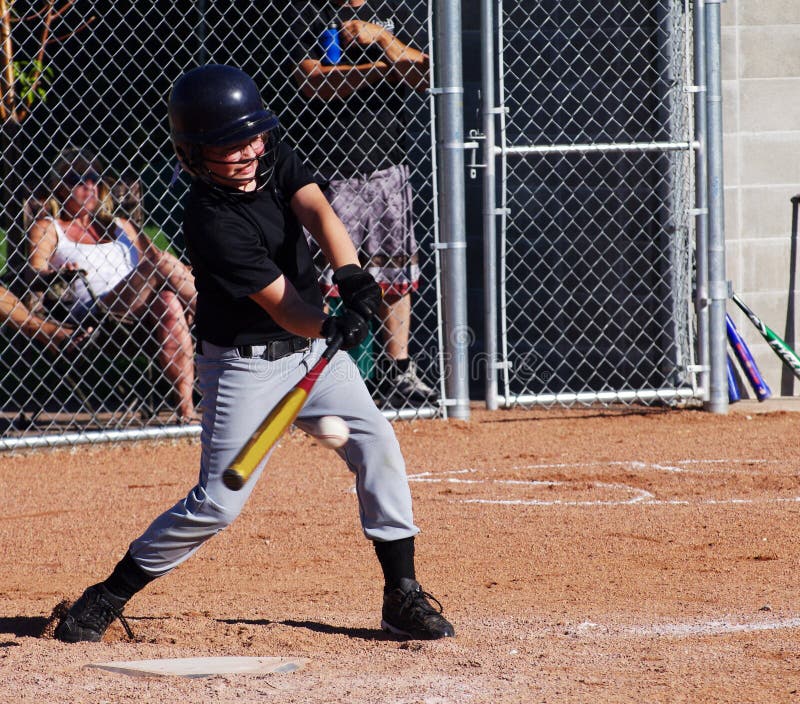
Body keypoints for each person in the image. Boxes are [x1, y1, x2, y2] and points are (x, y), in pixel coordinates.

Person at [53, 65, 453, 643]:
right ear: (194, 154)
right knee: (219, 503)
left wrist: (351, 275)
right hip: (245, 365)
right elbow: (285, 308)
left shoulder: (268, 158)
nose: (248, 151)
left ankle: (402, 596)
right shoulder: (209, 219)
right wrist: (333, 322)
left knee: (377, 446)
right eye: (230, 145)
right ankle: (109, 593)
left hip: (316, 355)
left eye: (254, 137)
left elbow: (318, 209)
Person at [285, 0, 438, 408]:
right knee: (327, 275)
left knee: (395, 270)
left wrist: (383, 38)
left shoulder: (394, 10)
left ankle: (398, 372)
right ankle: (322, 371)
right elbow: (313, 82)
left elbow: (424, 73)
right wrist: (385, 70)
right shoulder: (307, 11)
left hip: (388, 165)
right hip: (329, 168)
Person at [26, 150, 199, 422]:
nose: (88, 185)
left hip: (141, 310)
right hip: (98, 312)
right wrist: (54, 274)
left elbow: (157, 262)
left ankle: (186, 412)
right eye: (77, 179)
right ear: (59, 186)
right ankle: (219, 315)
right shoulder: (50, 227)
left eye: (93, 177)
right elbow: (33, 273)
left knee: (169, 301)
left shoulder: (121, 225)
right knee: (162, 262)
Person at [0, 283, 92, 355]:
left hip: (98, 310)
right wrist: (47, 274)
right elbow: (35, 266)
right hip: (55, 289)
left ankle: (57, 335)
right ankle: (53, 333)